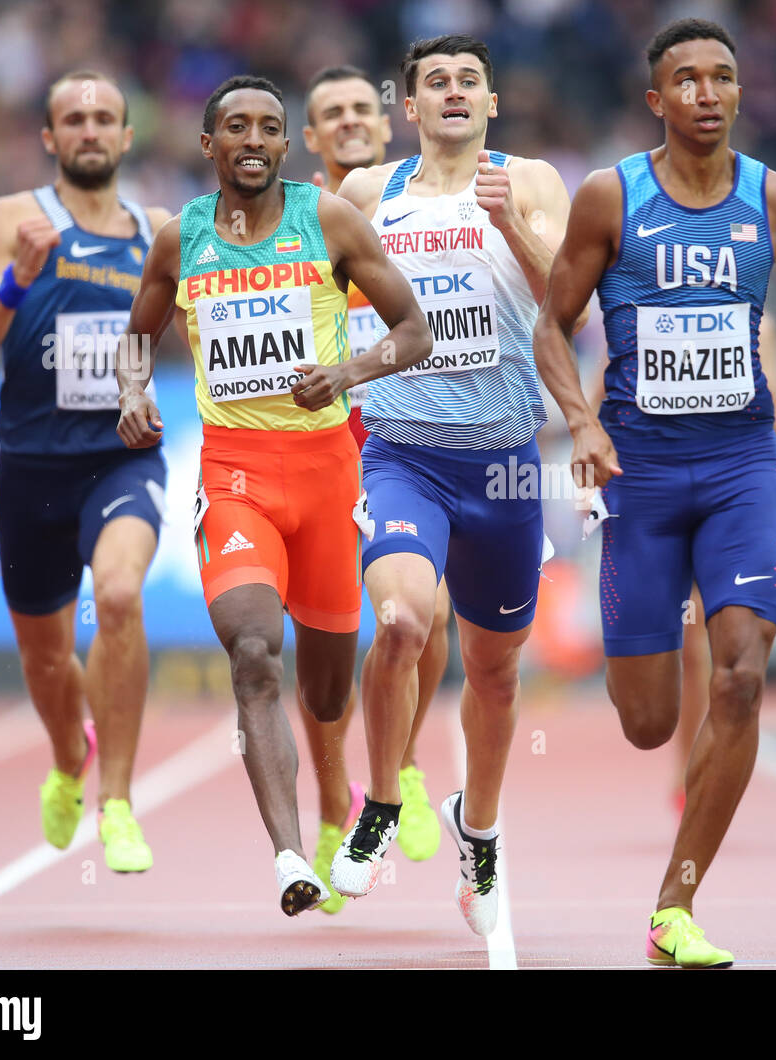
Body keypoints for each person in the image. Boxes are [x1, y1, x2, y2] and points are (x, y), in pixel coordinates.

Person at [533, 18, 776, 967]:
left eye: (723, 76)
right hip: (638, 472)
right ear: (657, 101)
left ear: (740, 92)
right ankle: (656, 743)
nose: (708, 93)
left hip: (741, 468)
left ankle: (676, 904)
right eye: (688, 79)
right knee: (647, 721)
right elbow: (552, 327)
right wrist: (583, 423)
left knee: (742, 676)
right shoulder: (610, 198)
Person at [115, 75, 432, 915]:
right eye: (236, 127)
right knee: (254, 654)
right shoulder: (178, 238)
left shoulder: (326, 219)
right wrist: (131, 391)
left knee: (326, 696)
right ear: (209, 145)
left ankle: (356, 795)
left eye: (269, 128)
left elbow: (414, 329)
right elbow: (137, 335)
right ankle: (291, 855)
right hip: (235, 476)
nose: (252, 139)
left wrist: (346, 371)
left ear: (286, 147)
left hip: (328, 476)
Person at [327, 34, 580, 937]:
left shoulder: (535, 182)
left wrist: (511, 223)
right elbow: (311, 296)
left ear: (493, 102)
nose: (455, 92)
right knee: (399, 621)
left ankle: (478, 829)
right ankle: (383, 805)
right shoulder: (368, 195)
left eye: (471, 79)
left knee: (496, 673)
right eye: (436, 82)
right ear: (411, 107)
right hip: (404, 453)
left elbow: (570, 303)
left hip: (507, 460)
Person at [0, 71, 170, 873]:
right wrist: (18, 278)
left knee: (118, 595)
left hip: (123, 456)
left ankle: (117, 802)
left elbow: (219, 317)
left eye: (103, 118)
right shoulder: (12, 220)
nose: (88, 130)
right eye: (72, 119)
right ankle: (65, 757)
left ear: (125, 136)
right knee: (47, 658)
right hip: (33, 465)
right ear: (48, 138)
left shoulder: (160, 231)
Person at [300, 66, 448, 911]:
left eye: (363, 108)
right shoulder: (289, 224)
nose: (351, 121)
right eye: (331, 115)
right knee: (325, 630)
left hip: (407, 434)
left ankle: (407, 765)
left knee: (425, 614)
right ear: (312, 140)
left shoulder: (417, 207)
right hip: (319, 440)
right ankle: (331, 809)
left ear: (387, 125)